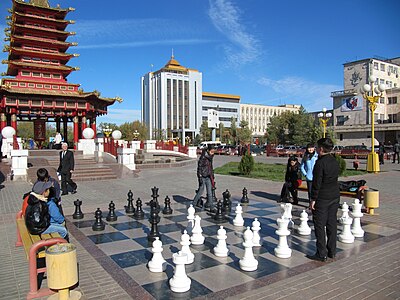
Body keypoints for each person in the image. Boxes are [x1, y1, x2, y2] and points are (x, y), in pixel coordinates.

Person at [308, 138, 340, 262]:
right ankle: (332, 251)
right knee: (332, 223)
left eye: (317, 147)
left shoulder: (320, 163)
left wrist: (313, 199)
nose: (315, 149)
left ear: (321, 149)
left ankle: (321, 253)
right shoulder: (334, 161)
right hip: (334, 196)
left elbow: (317, 183)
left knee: (320, 225)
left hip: (322, 198)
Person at [193, 145, 215, 211]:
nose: (213, 153)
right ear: (208, 150)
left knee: (210, 192)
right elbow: (199, 168)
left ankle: (211, 207)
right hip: (202, 176)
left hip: (208, 176)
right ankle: (193, 204)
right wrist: (200, 178)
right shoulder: (203, 157)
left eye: (213, 152)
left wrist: (212, 175)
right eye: (211, 152)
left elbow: (210, 167)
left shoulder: (210, 157)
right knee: (200, 191)